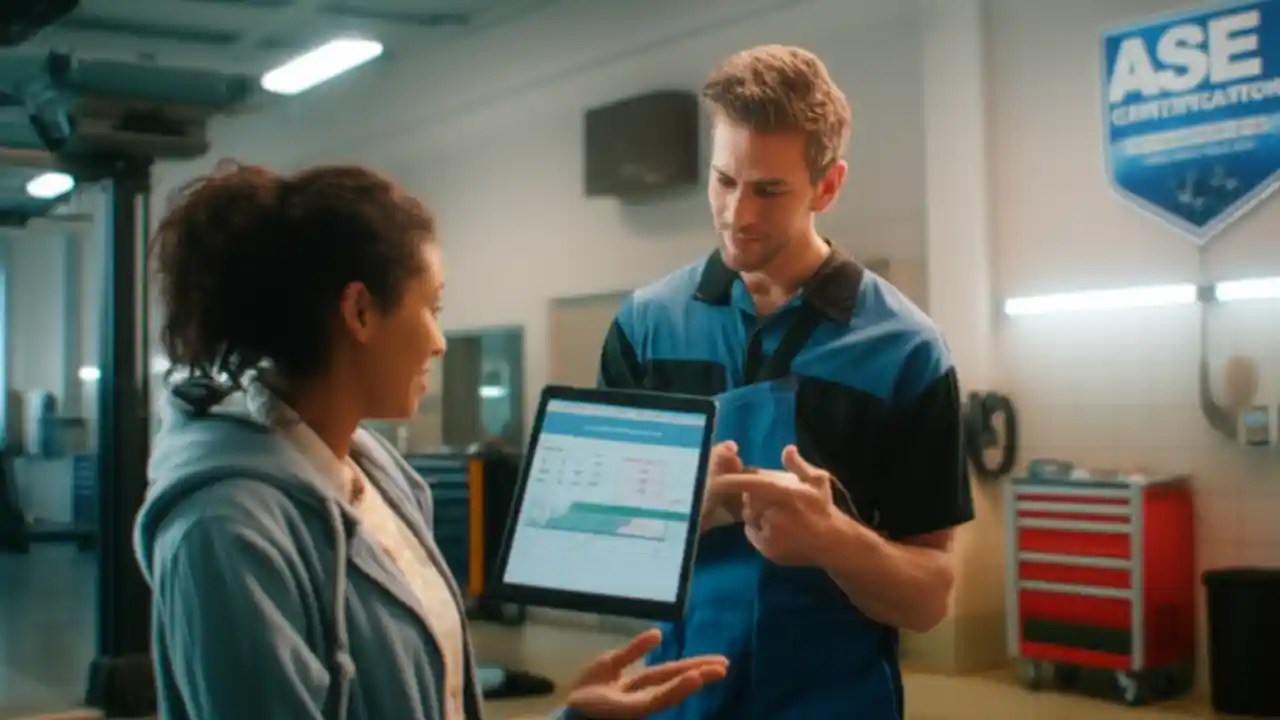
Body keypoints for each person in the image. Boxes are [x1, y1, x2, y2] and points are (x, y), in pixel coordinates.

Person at [133, 161, 728, 720]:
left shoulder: (376, 472)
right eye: (432, 307)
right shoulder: (226, 531)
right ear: (360, 312)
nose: (440, 342)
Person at [597, 45, 974, 719]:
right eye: (723, 181)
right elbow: (596, 552)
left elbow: (930, 598)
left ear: (827, 187)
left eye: (769, 190)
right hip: (678, 701)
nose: (738, 214)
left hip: (833, 701)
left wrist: (831, 538)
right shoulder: (646, 327)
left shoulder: (905, 352)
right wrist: (690, 506)